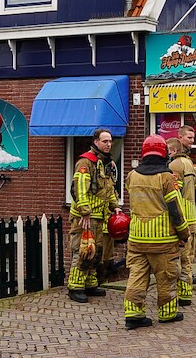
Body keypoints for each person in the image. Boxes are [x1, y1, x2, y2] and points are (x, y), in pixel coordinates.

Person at [123, 135, 189, 329]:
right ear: (163, 153)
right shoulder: (166, 177)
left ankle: (133, 314)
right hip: (163, 240)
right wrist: (184, 234)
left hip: (136, 238)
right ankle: (167, 313)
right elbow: (175, 210)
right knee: (166, 276)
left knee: (137, 276)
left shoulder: (132, 175)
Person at [66, 129, 120, 303]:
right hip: (85, 218)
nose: (108, 144)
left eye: (110, 141)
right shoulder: (85, 162)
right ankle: (75, 287)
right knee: (82, 251)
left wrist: (115, 207)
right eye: (105, 141)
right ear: (96, 142)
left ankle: (90, 284)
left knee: (95, 252)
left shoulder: (106, 163)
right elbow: (79, 189)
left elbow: (109, 188)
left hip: (99, 217)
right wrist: (85, 212)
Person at [167, 135, 196, 303]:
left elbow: (173, 193)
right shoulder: (190, 164)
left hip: (181, 217)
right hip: (192, 214)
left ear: (173, 150)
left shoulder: (174, 166)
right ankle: (187, 293)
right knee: (188, 257)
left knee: (179, 257)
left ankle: (180, 293)